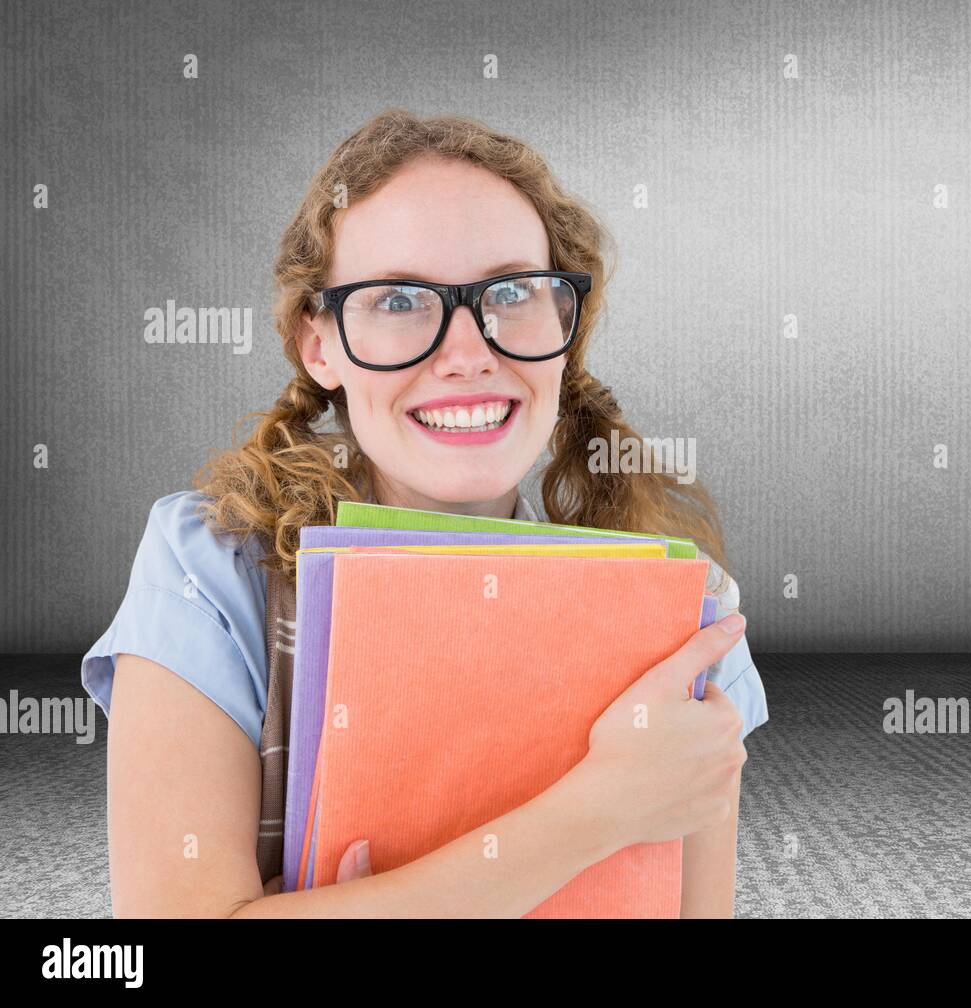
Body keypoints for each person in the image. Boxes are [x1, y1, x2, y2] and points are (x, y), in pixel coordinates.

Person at [81, 109, 768, 918]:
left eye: (512, 292)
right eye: (399, 299)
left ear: (563, 326)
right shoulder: (207, 572)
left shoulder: (687, 615)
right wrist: (602, 810)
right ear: (319, 344)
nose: (468, 351)